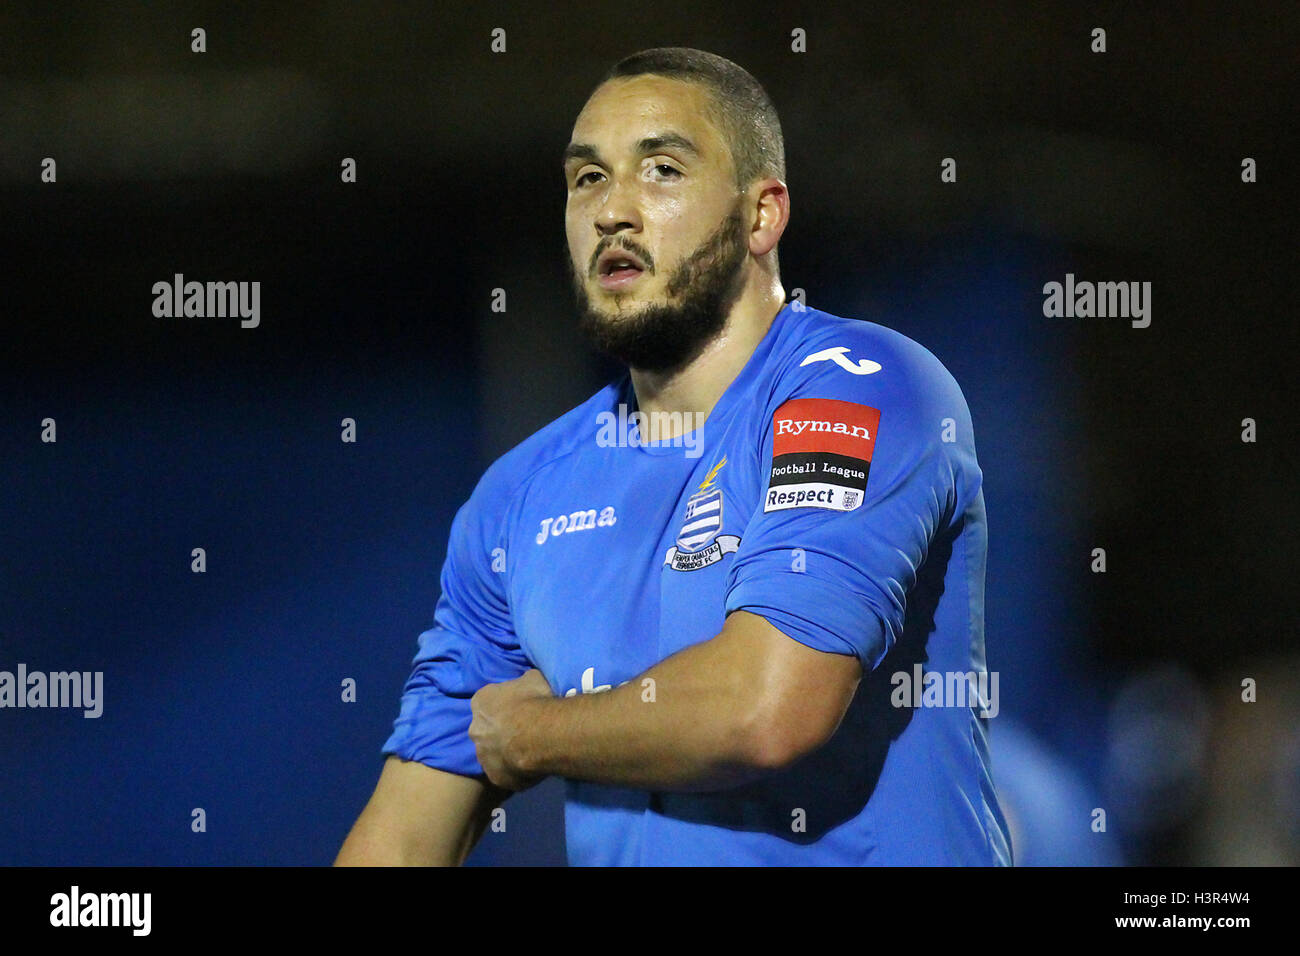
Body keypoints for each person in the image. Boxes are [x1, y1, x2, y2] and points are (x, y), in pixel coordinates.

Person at [335, 47, 1012, 866]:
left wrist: (531, 735)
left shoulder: (860, 386)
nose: (613, 210)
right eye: (587, 179)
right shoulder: (518, 497)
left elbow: (765, 710)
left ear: (762, 215)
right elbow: (405, 834)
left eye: (660, 169)